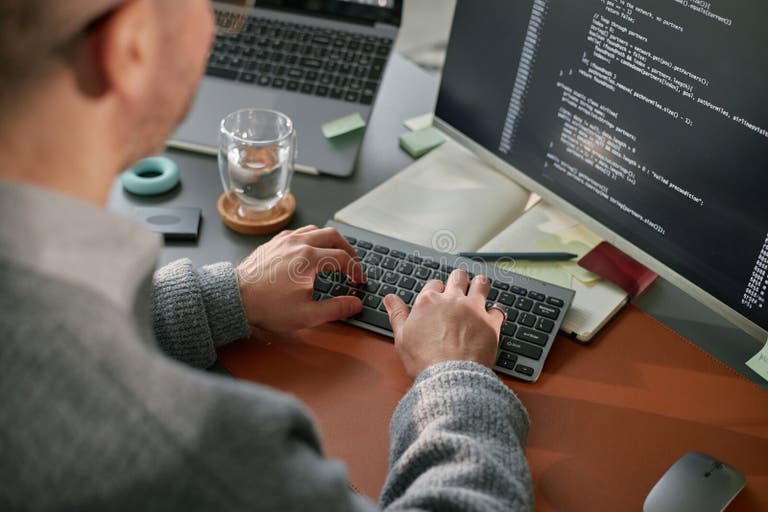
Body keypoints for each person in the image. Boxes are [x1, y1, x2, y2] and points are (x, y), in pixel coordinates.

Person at [0, 1, 533, 510]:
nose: (225, 26)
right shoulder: (199, 453)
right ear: (130, 46)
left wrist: (221, 297)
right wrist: (455, 376)